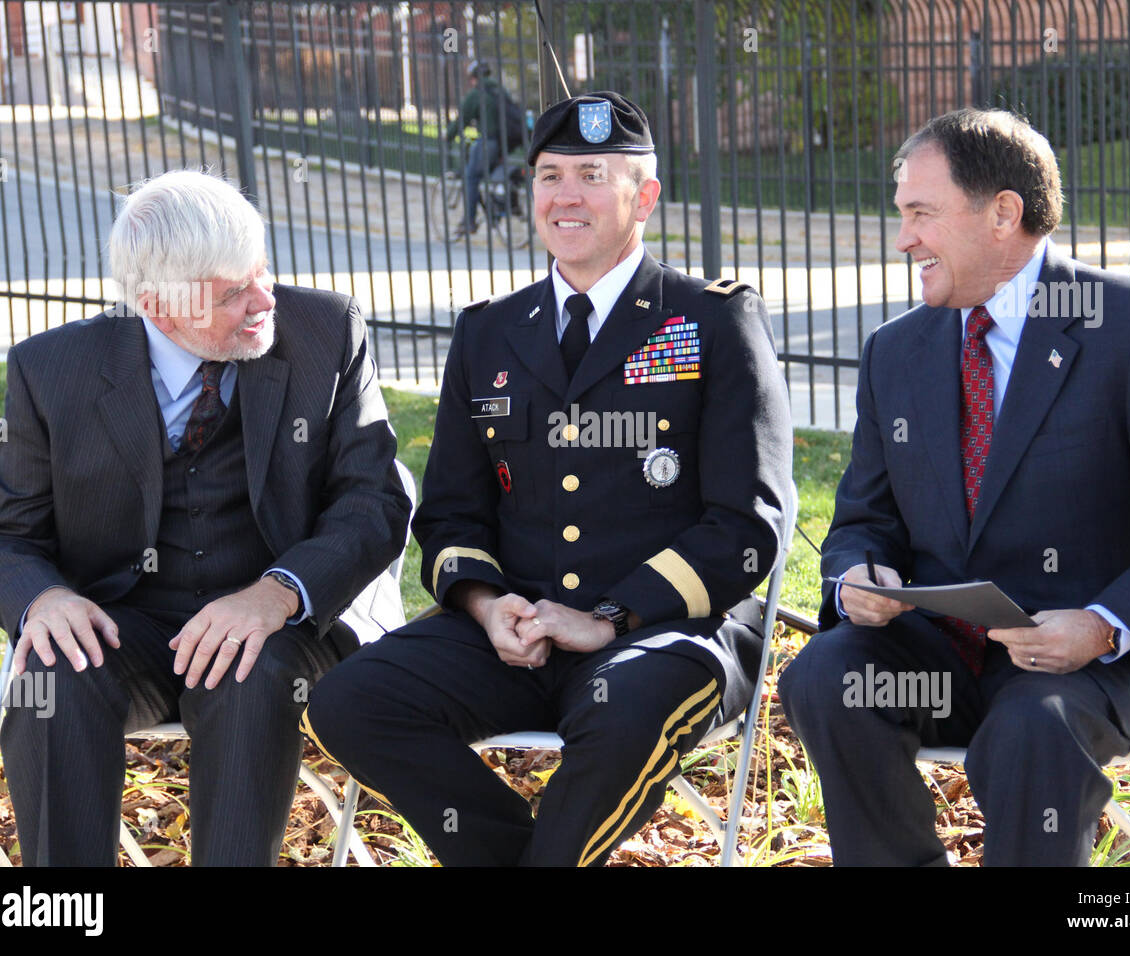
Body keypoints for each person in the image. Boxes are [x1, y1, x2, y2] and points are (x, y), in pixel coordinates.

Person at [302, 91, 792, 866]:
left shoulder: (710, 320)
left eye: (593, 174)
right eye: (549, 175)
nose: (565, 195)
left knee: (626, 713)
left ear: (646, 197)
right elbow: (453, 515)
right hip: (517, 633)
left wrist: (607, 617)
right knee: (350, 701)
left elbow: (747, 526)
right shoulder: (488, 331)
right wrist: (489, 606)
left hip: (665, 634)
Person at [778, 108, 1130, 866]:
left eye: (922, 214)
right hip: (939, 666)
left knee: (1032, 727)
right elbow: (863, 520)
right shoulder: (894, 352)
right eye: (902, 216)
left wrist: (1099, 626)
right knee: (828, 677)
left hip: (1084, 671)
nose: (905, 239)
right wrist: (855, 576)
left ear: (1003, 212)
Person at [0, 170, 412, 866]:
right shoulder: (53, 371)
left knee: (249, 675)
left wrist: (278, 593)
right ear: (156, 305)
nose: (264, 300)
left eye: (262, 271)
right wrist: (43, 599)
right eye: (233, 292)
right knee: (50, 677)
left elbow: (375, 501)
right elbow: (0, 541)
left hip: (283, 625)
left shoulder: (326, 333)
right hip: (128, 620)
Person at [444, 60, 520, 237]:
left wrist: (448, 135)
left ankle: (469, 221)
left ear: (473, 78)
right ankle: (497, 207)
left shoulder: (477, 94)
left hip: (489, 142)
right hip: (507, 143)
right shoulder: (500, 90)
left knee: (471, 178)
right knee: (490, 174)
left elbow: (462, 119)